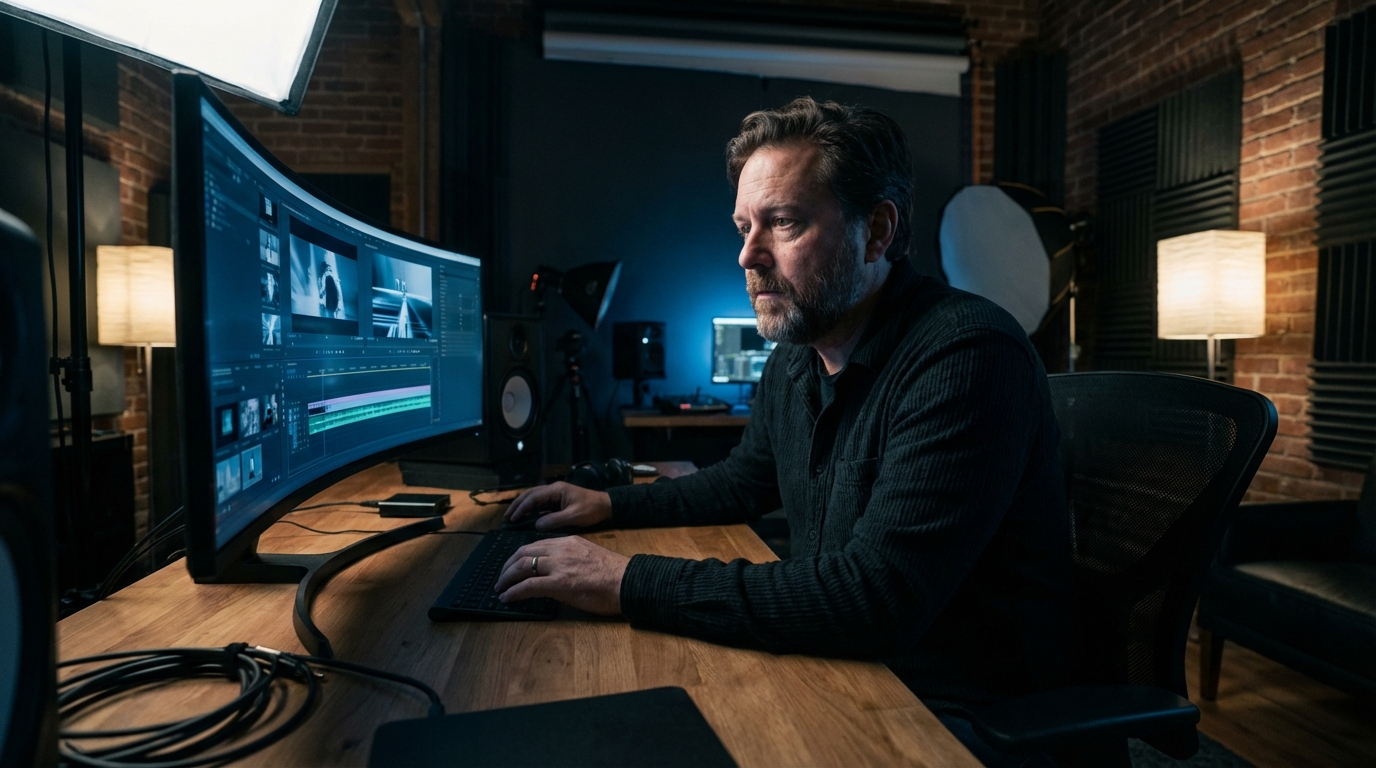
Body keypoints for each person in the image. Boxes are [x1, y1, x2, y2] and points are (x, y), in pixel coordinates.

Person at [494, 97, 1073, 763]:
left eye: (784, 224)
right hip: (854, 669)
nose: (748, 255)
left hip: (952, 716)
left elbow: (874, 598)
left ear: (877, 231)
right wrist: (609, 503)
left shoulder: (967, 356)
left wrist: (627, 581)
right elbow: (743, 482)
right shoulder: (800, 354)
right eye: (743, 227)